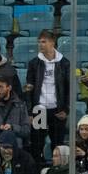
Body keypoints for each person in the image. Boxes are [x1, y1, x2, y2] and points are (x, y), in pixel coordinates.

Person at [25, 30, 70, 162]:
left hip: (57, 110)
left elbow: (69, 88)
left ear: (52, 42)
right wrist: (30, 111)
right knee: (37, 145)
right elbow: (28, 88)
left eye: (43, 41)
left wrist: (66, 109)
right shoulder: (34, 63)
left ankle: (59, 173)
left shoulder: (64, 63)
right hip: (39, 110)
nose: (40, 44)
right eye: (39, 42)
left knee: (58, 145)